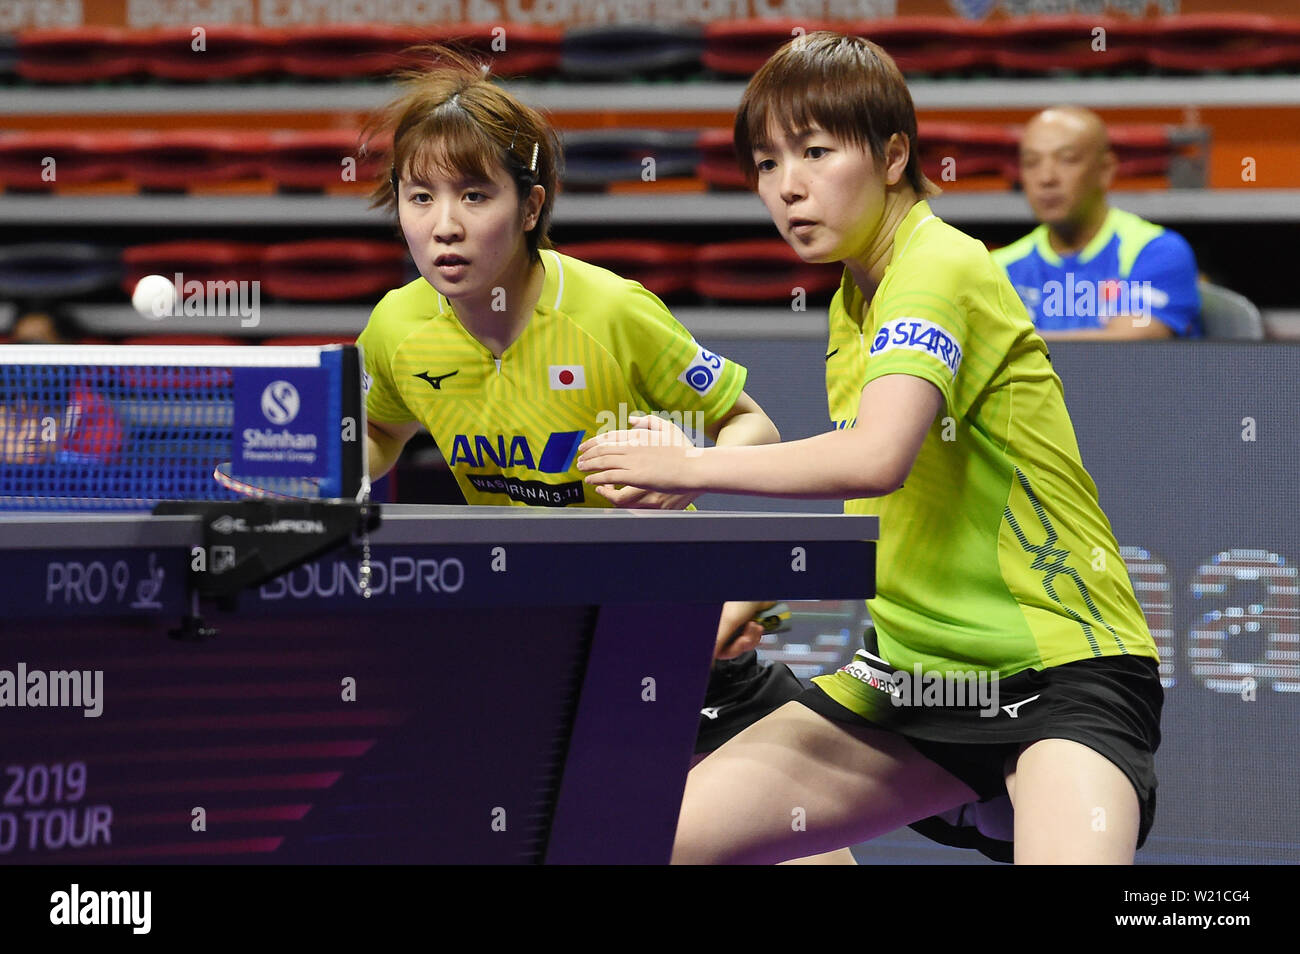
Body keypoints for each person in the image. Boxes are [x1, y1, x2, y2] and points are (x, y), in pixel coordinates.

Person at [577, 32, 1163, 865]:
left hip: (1064, 675)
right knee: (644, 842)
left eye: (815, 152)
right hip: (913, 684)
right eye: (767, 163)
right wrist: (742, 603)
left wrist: (690, 464)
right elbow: (889, 506)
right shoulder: (856, 296)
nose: (788, 187)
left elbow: (875, 454)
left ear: (893, 156)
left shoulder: (939, 266)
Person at [353, 47, 851, 861]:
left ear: (529, 204)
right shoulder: (397, 329)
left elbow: (750, 426)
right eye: (420, 197)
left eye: (475, 195)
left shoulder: (611, 312)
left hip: (674, 640)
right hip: (533, 653)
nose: (443, 225)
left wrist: (687, 464)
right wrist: (322, 474)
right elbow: (379, 431)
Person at [993, 107, 1201, 340]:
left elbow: (1126, 350)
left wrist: (1013, 343)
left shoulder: (1155, 251)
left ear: (1105, 170)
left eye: (1067, 160)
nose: (1046, 178)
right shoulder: (999, 268)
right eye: (1031, 163)